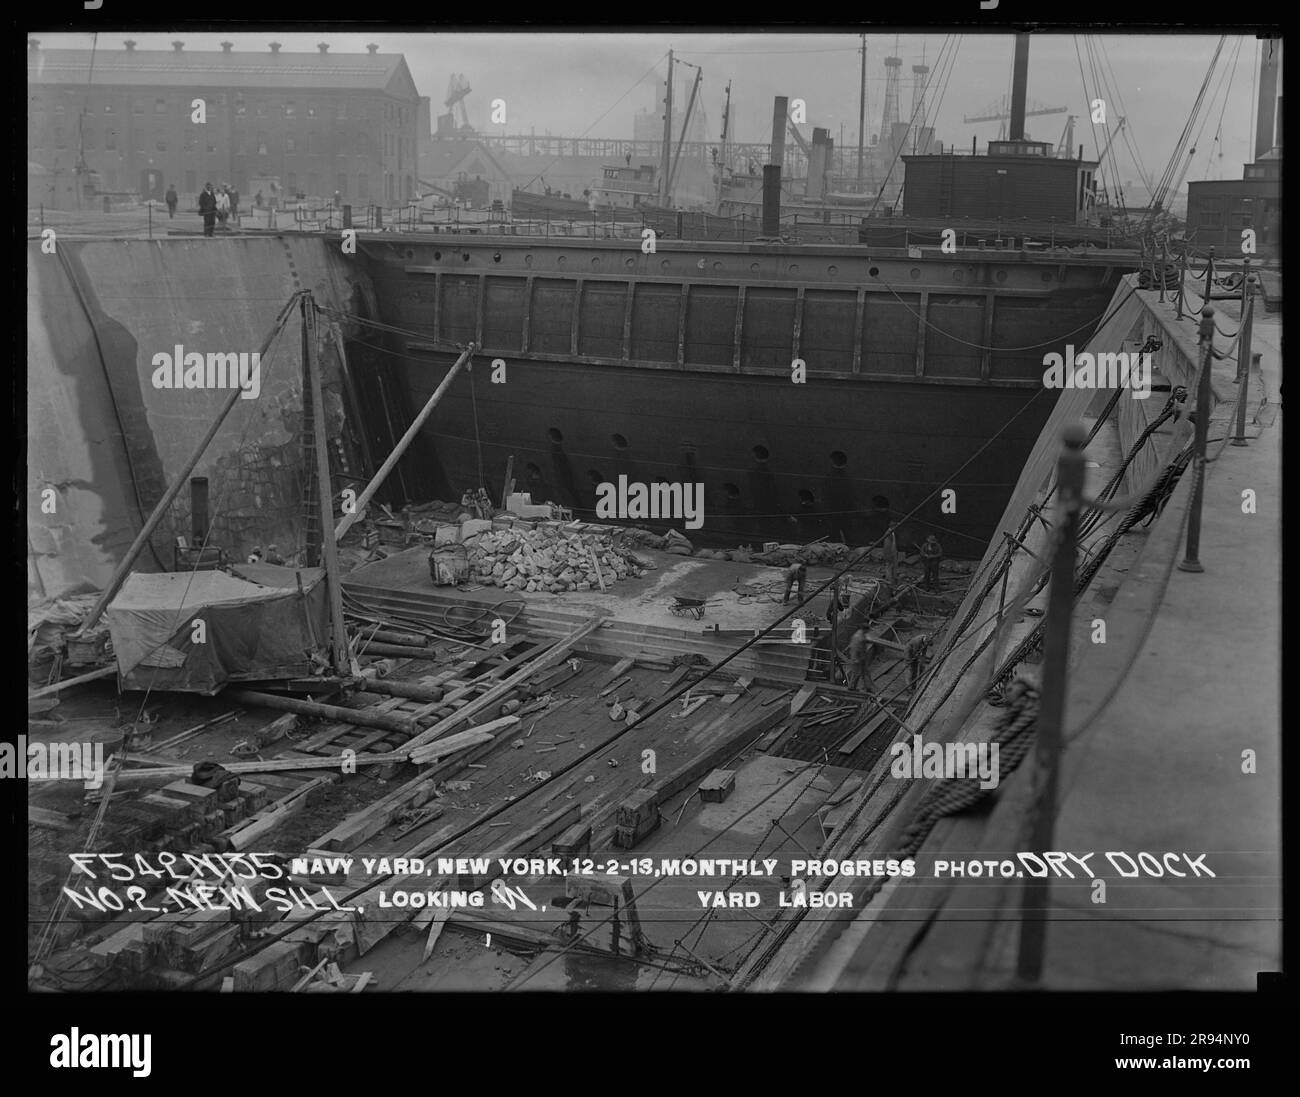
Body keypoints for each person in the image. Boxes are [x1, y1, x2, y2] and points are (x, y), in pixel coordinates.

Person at [847, 627, 876, 692]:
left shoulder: (861, 635)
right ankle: (851, 687)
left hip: (861, 658)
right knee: (856, 673)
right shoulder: (858, 637)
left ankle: (868, 688)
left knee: (865, 673)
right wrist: (855, 659)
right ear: (865, 629)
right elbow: (855, 649)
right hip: (857, 659)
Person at [882, 523, 899, 588]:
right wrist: (889, 554)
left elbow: (893, 543)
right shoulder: (888, 533)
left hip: (893, 552)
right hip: (890, 553)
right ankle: (889, 580)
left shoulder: (892, 533)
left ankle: (892, 579)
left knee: (892, 566)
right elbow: (887, 545)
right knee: (889, 566)